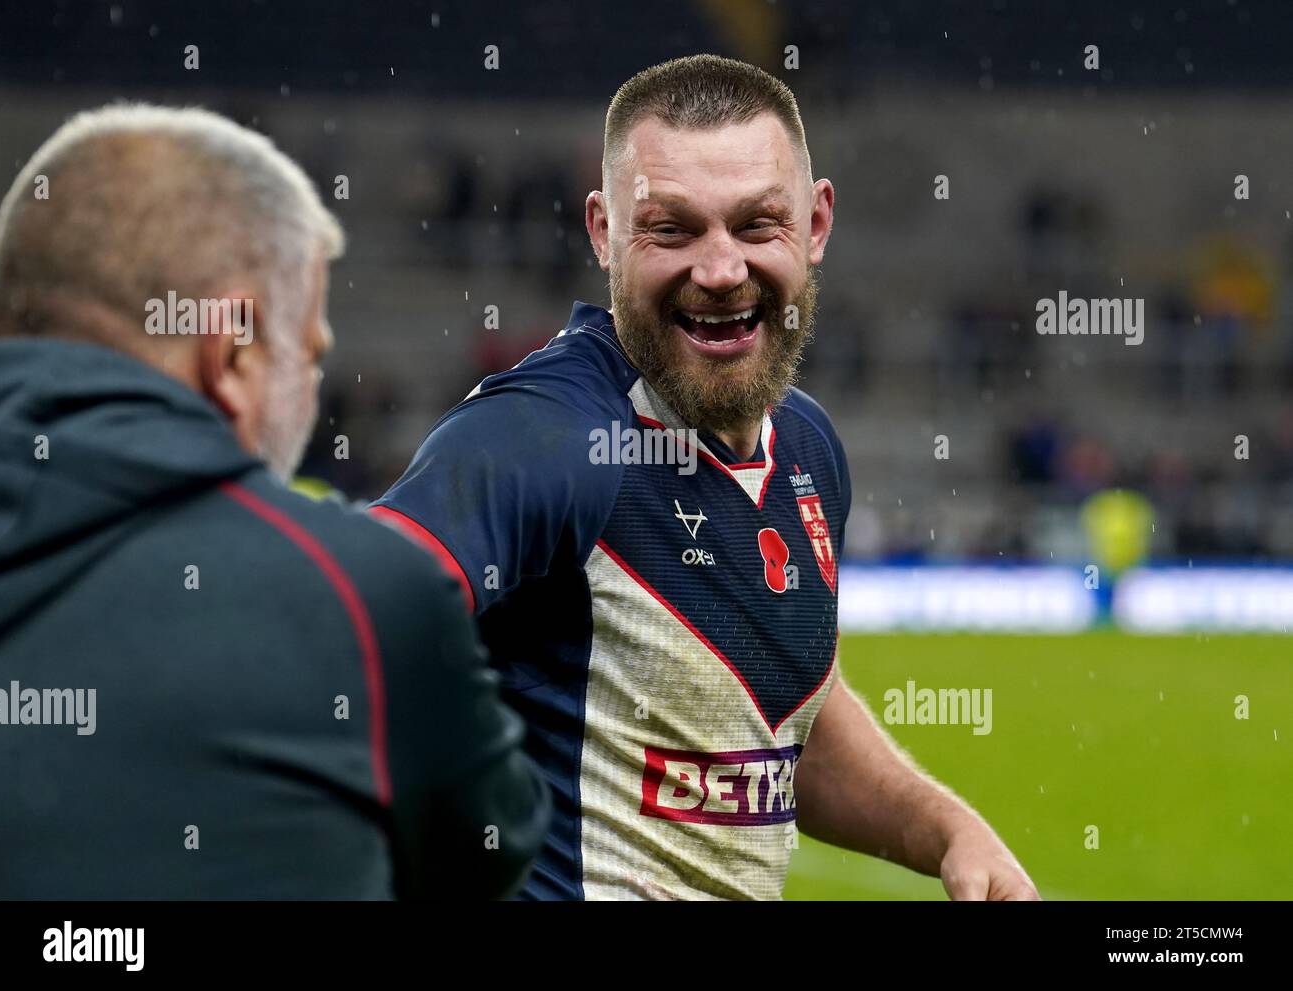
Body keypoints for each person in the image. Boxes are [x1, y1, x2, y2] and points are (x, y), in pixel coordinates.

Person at [373, 55, 1039, 900]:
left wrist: (951, 830)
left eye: (758, 225)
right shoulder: (546, 433)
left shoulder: (807, 444)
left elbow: (777, 722)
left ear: (817, 221)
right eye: (672, 229)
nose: (721, 271)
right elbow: (340, 616)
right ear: (605, 232)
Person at [0, 103, 549, 899]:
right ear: (235, 351)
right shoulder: (367, 596)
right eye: (312, 353)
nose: (314, 387)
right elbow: (493, 852)